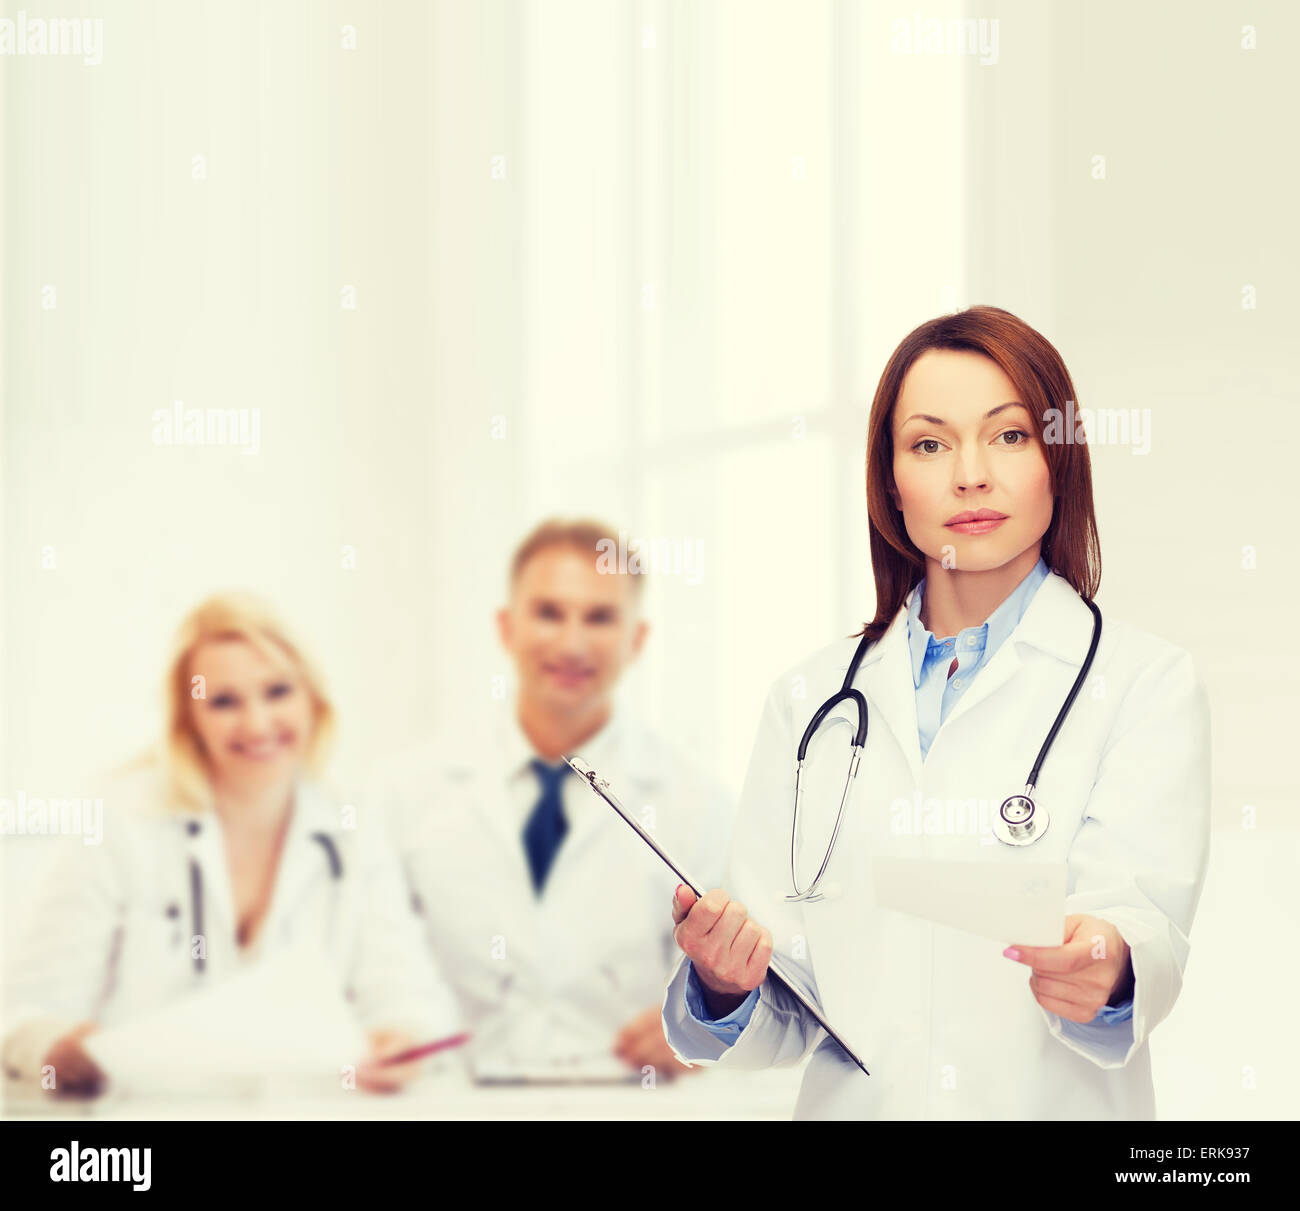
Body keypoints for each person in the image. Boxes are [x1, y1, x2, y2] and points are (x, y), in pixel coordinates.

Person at [663, 305, 1211, 1119]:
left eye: (1009, 435)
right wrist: (723, 980)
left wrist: (1111, 966)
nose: (970, 474)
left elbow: (1143, 926)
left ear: (1058, 460)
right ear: (890, 479)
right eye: (929, 442)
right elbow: (790, 1005)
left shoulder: (1145, 682)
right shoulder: (808, 702)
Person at [3, 593, 459, 1096]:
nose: (258, 723)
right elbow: (25, 1013)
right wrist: (59, 1048)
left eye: (278, 692)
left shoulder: (353, 831)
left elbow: (411, 999)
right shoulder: (119, 825)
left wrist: (399, 1041)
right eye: (223, 702)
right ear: (188, 719)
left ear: (313, 699)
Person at [372, 519, 733, 1080]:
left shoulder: (698, 802)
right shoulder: (408, 792)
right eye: (548, 613)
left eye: (600, 617)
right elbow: (381, 964)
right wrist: (396, 1037)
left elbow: (730, 988)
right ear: (506, 627)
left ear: (637, 639)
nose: (571, 643)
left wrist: (701, 1034)